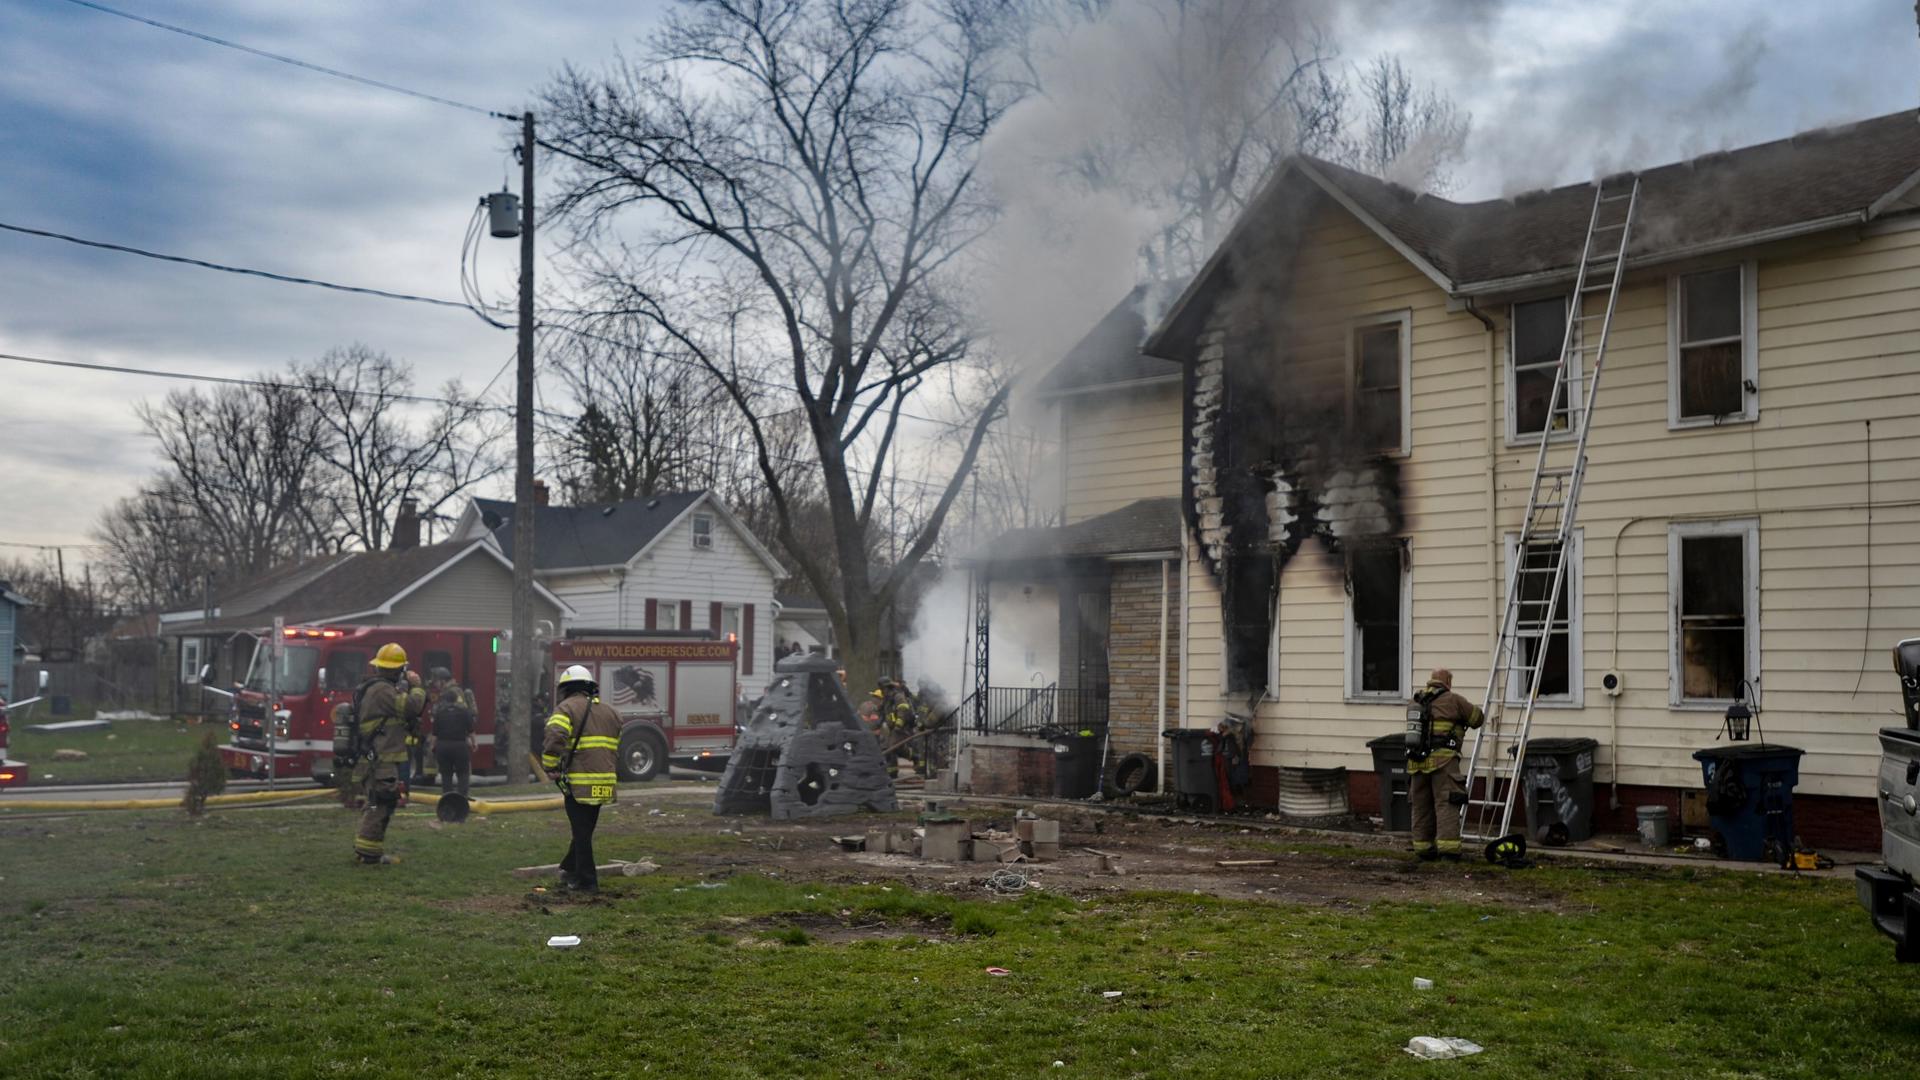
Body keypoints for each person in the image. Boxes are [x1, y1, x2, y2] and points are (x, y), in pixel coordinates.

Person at [540, 664, 622, 893]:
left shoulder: (565, 709)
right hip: (604, 783)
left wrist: (550, 767)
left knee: (581, 832)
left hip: (579, 783)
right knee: (585, 829)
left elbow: (554, 736)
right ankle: (569, 868)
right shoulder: (611, 712)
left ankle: (587, 881)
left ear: (566, 688)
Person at [351, 644, 425, 865]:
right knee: (382, 802)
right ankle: (370, 854)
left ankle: (367, 851)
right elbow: (412, 707)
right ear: (397, 670)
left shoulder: (376, 688)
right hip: (381, 758)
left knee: (378, 802)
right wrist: (418, 688)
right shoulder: (382, 690)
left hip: (379, 757)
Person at [1407, 667, 1486, 862]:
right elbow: (1477, 718)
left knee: (1421, 805)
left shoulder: (1415, 701)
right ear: (1448, 682)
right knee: (1447, 802)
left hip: (1416, 762)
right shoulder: (1453, 699)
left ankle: (1423, 848)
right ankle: (1448, 851)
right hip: (1443, 761)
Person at [431, 678, 477, 799]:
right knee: (463, 773)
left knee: (446, 774)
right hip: (460, 746)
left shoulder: (439, 713)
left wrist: (433, 746)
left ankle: (447, 797)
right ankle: (462, 797)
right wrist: (474, 743)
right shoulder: (464, 712)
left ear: (445, 700)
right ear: (456, 699)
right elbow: (471, 730)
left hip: (443, 746)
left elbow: (434, 734)